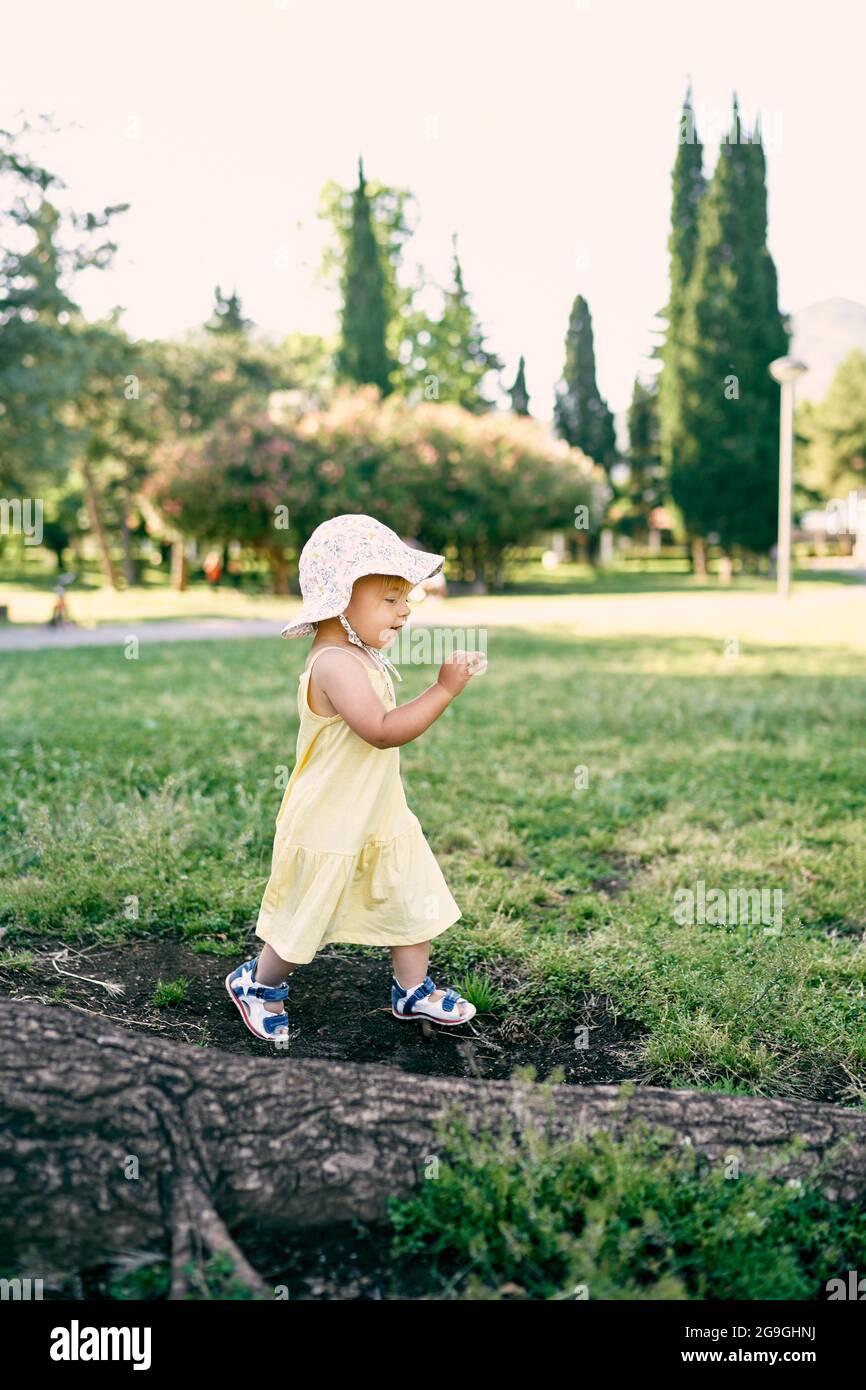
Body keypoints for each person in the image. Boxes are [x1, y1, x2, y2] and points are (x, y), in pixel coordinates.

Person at [226, 513, 485, 1042]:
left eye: (405, 598)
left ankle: (412, 990)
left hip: (378, 811)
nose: (405, 609)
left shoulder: (357, 654)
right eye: (390, 599)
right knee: (307, 915)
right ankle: (260, 983)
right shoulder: (334, 664)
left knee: (410, 897)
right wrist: (443, 690)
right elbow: (382, 731)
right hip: (330, 819)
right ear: (341, 600)